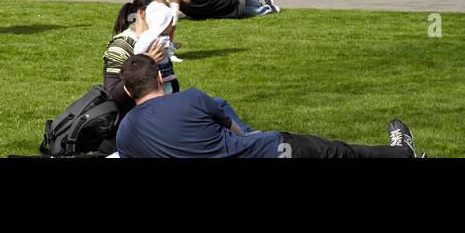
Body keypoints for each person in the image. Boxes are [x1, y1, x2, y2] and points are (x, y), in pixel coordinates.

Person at [115, 57, 420, 159]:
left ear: (129, 91)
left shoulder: (126, 130)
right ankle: (403, 153)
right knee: (334, 151)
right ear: (159, 78)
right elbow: (238, 133)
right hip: (269, 151)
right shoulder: (190, 97)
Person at [102, 0, 170, 110]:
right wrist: (145, 65)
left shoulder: (157, 41)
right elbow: (112, 95)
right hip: (131, 117)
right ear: (141, 13)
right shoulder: (120, 47)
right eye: (160, 10)